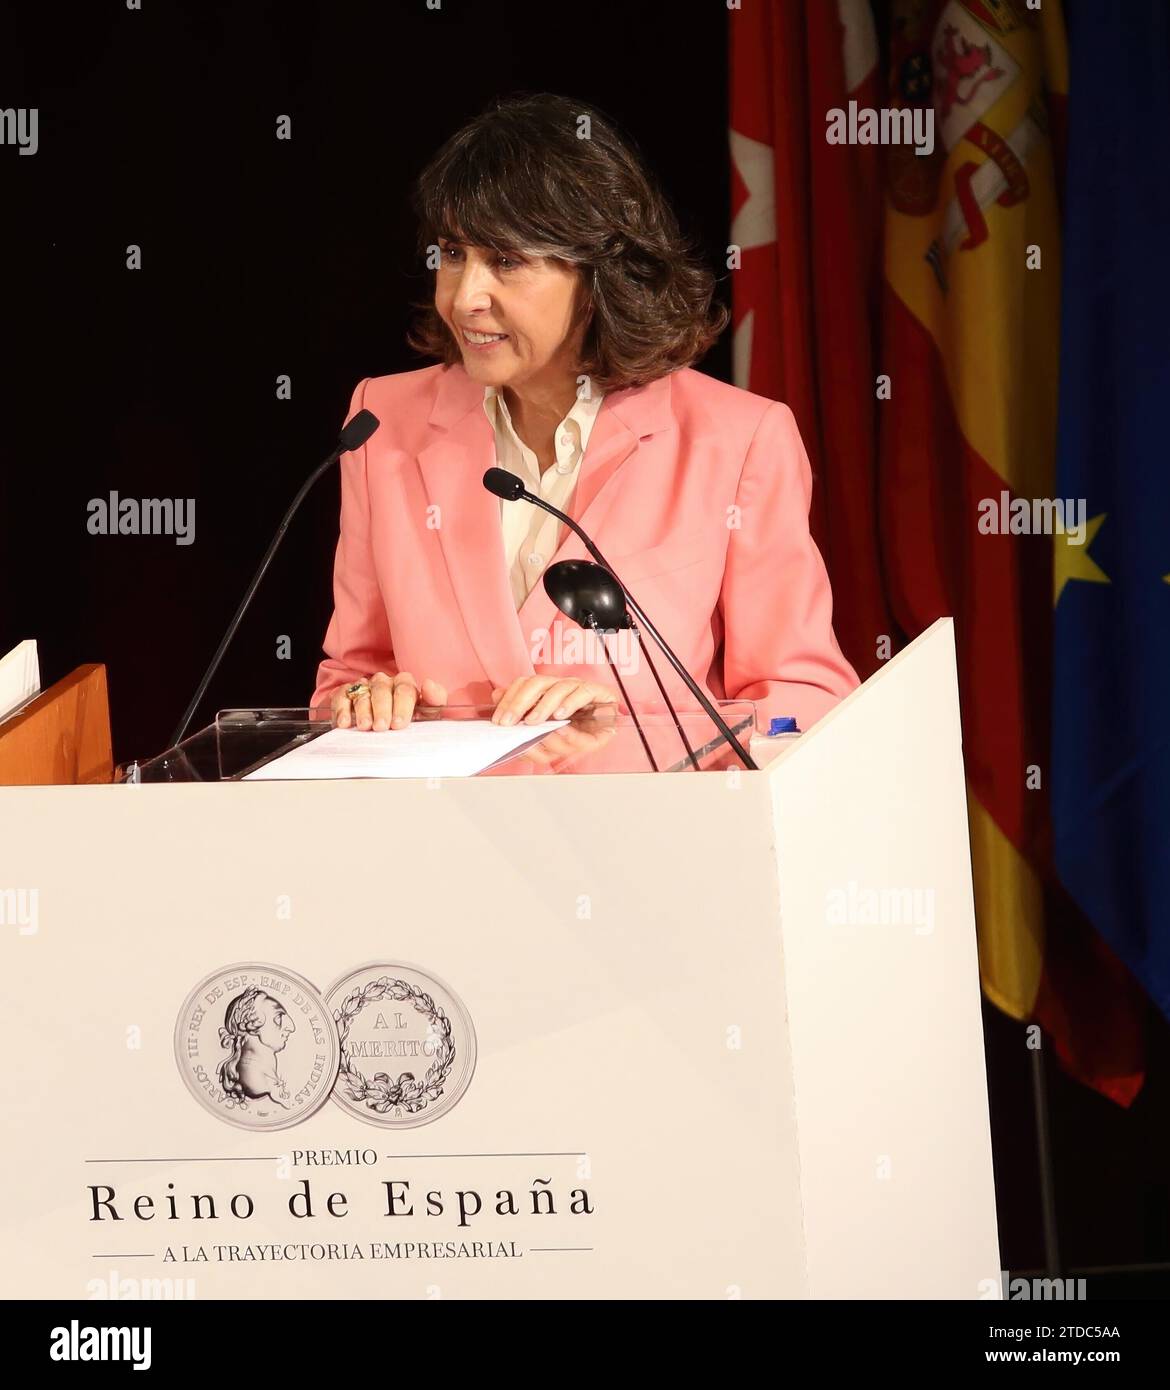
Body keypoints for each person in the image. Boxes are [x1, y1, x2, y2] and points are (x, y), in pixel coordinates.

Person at [312, 92, 858, 743]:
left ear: (599, 275)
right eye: (454, 255)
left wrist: (623, 725)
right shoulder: (383, 421)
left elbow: (807, 707)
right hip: (441, 836)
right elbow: (347, 676)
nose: (464, 296)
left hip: (640, 838)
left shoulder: (736, 440)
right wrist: (368, 703)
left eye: (506, 261)